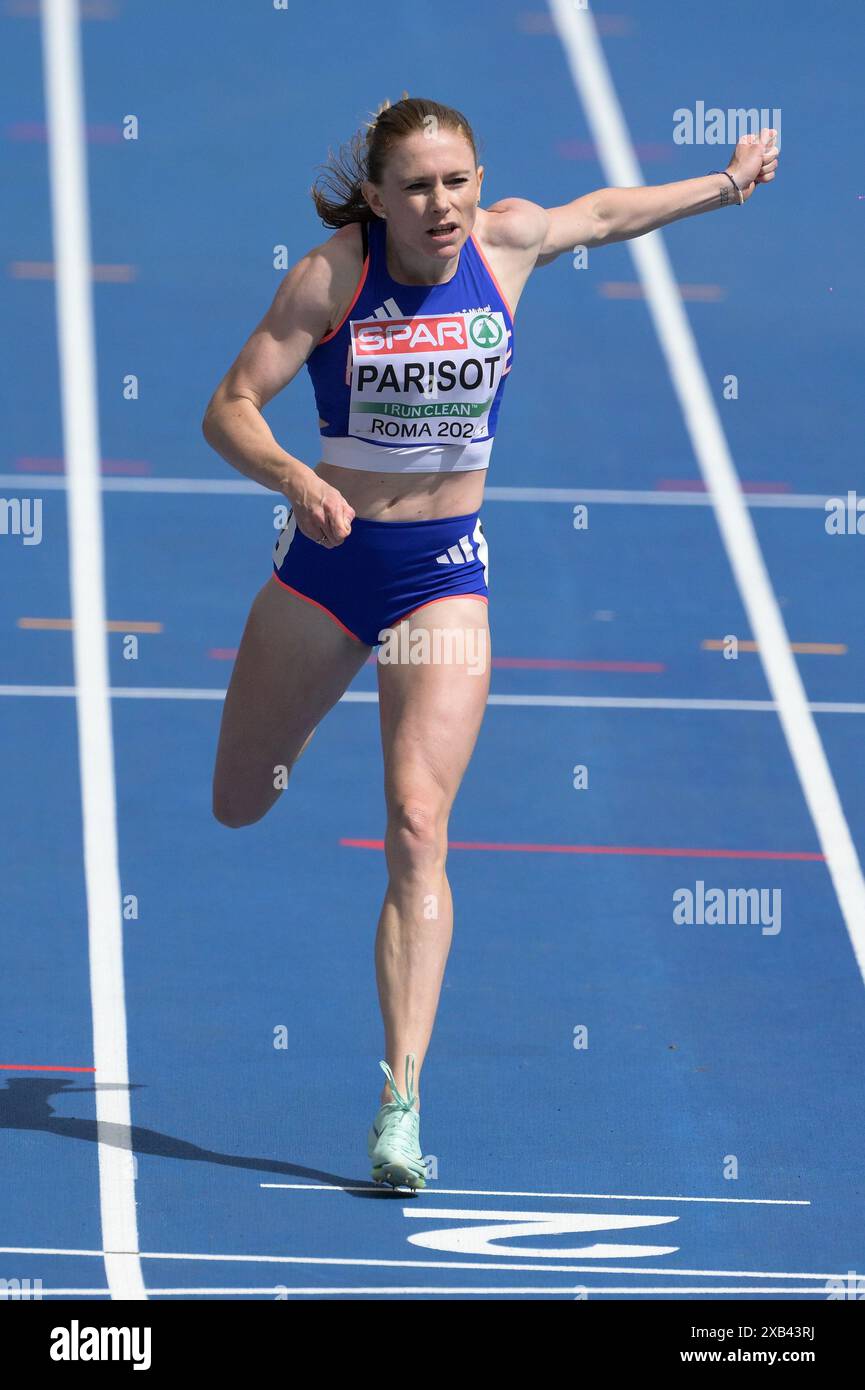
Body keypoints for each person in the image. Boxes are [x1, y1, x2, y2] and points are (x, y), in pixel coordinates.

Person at [201, 95, 779, 1191]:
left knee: (418, 820)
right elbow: (229, 405)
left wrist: (725, 182)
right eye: (418, 187)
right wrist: (296, 476)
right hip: (326, 573)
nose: (443, 205)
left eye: (456, 181)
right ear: (376, 197)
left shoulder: (507, 243)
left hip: (440, 581)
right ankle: (310, 704)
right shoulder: (330, 279)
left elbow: (605, 213)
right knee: (240, 798)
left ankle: (399, 1104)